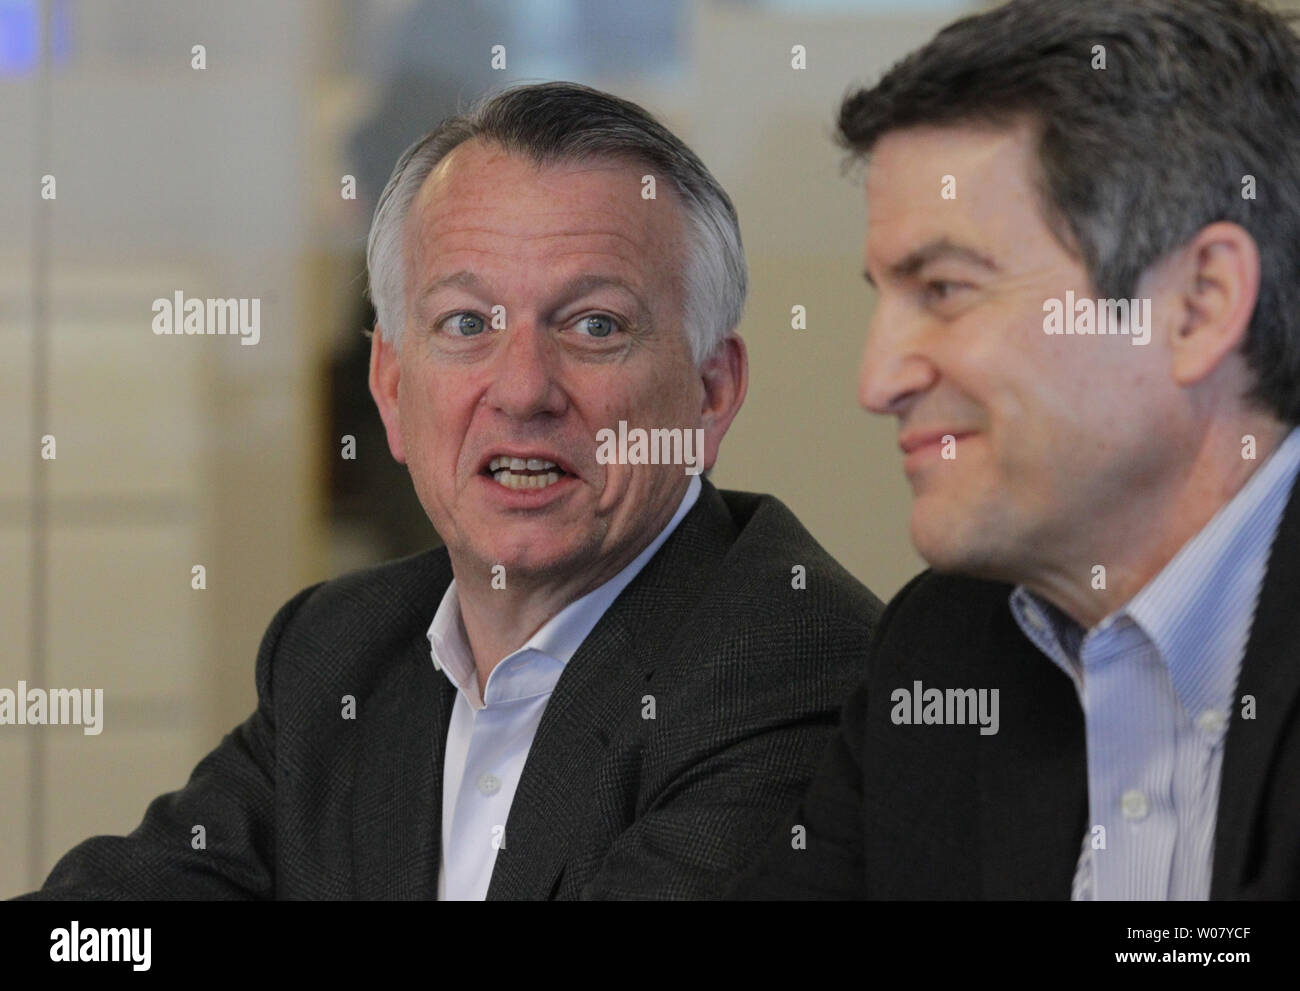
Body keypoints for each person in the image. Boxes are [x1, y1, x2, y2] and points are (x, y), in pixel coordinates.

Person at [22, 82, 882, 900]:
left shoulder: (792, 669)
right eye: (467, 324)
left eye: (594, 326)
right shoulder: (340, 649)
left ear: (711, 391)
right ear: (392, 390)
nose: (522, 391)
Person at [733, 0, 1300, 900]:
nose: (876, 380)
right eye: (885, 295)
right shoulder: (943, 648)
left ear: (1198, 304)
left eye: (946, 288)